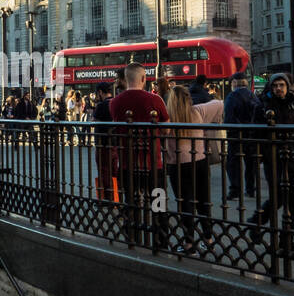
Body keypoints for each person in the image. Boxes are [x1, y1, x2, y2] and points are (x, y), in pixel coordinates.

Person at [109, 62, 170, 250]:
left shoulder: (115, 102)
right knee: (158, 202)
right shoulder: (156, 100)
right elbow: (166, 129)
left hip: (128, 163)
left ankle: (132, 237)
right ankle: (160, 240)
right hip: (153, 164)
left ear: (126, 79)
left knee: (131, 201)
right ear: (144, 79)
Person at [164, 84, 222, 253]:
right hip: (200, 160)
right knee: (204, 201)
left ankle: (189, 243)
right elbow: (220, 104)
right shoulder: (198, 111)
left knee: (185, 204)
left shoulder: (167, 118)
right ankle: (208, 239)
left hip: (178, 164)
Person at [250, 73, 294, 226]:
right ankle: (257, 221)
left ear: (287, 86)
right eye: (275, 85)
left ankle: (287, 236)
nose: (278, 88)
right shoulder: (263, 104)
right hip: (273, 156)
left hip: (293, 153)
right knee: (278, 195)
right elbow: (256, 131)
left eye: (281, 85)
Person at [223, 74, 258, 199]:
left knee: (233, 163)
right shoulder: (252, 95)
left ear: (234, 83)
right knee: (250, 162)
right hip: (251, 133)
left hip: (237, 134)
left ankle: (235, 189)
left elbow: (229, 116)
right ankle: (250, 189)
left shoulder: (232, 96)